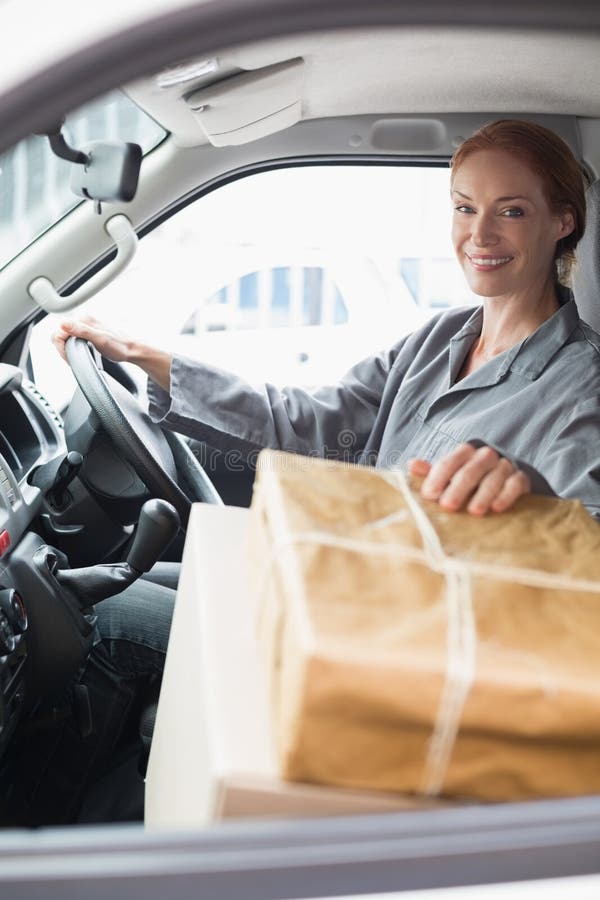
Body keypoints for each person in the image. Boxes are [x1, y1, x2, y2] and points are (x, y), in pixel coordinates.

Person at [39, 119, 597, 824]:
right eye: (464, 207)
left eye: (510, 210)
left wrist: (531, 493)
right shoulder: (443, 337)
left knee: (105, 617)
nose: (479, 234)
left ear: (562, 221)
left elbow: (589, 542)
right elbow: (312, 423)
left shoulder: (582, 387)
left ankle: (38, 843)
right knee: (129, 581)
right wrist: (148, 357)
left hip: (400, 642)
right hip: (339, 583)